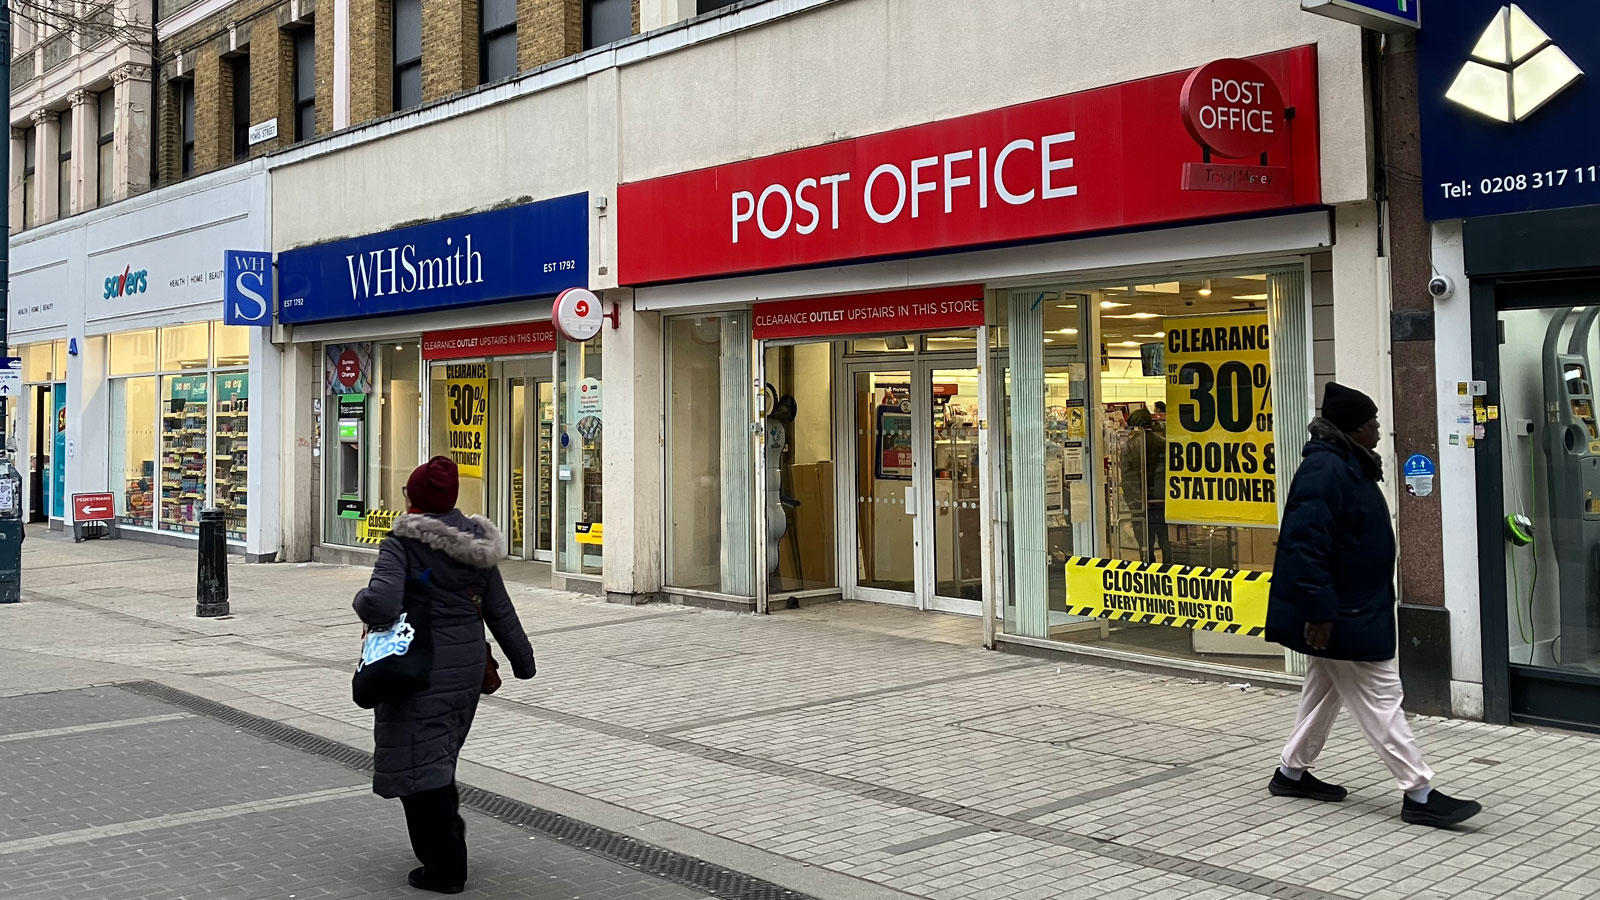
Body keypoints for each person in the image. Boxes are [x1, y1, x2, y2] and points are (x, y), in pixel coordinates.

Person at [1265, 383, 1481, 829]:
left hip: (1355, 605)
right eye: (1373, 423)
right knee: (1383, 697)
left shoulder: (1347, 463)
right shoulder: (1325, 469)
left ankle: (1291, 772)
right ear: (1353, 428)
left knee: (1323, 693)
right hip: (1344, 612)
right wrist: (1321, 613)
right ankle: (1419, 792)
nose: (1380, 429)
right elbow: (1304, 547)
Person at [354, 456, 538, 893]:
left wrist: (361, 599)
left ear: (414, 498)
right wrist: (523, 661)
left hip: (418, 665)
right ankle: (440, 853)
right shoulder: (475, 545)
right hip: (465, 668)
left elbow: (379, 604)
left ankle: (445, 866)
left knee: (421, 764)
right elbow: (499, 609)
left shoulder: (401, 541)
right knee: (436, 755)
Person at [1121, 408, 1169, 562]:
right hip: (1162, 501)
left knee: (1145, 545)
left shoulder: (1130, 445)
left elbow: (1128, 476)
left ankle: (1148, 572)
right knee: (1166, 541)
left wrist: (1133, 502)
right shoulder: (1163, 442)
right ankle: (1169, 570)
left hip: (1140, 503)